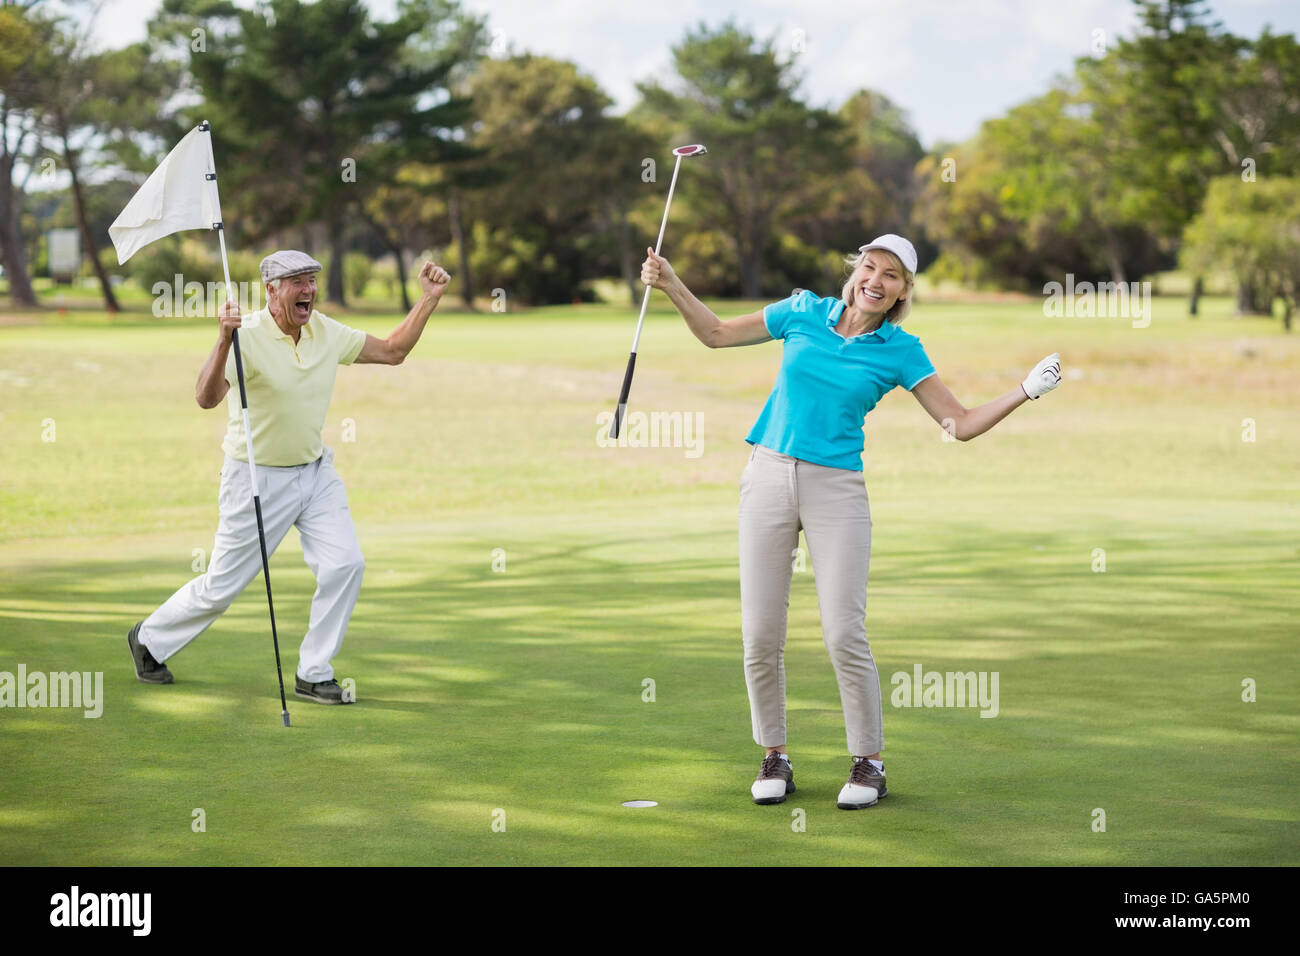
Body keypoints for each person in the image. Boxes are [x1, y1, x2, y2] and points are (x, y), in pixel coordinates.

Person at [640, 234, 1061, 808]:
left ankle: (868, 764)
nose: (876, 280)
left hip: (835, 487)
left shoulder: (902, 349)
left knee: (844, 631)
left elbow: (957, 424)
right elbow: (715, 334)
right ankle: (774, 755)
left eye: (891, 275)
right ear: (854, 270)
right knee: (759, 633)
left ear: (903, 292)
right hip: (766, 473)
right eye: (870, 267)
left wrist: (1023, 392)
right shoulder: (803, 311)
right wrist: (671, 284)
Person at [127, 250, 451, 704]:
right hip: (256, 479)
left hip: (316, 474)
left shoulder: (326, 332)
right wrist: (223, 340)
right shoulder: (248, 336)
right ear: (271, 290)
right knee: (221, 586)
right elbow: (205, 397)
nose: (309, 290)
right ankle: (149, 639)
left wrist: (429, 299)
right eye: (296, 281)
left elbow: (393, 351)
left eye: (312, 280)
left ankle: (314, 672)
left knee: (346, 563)